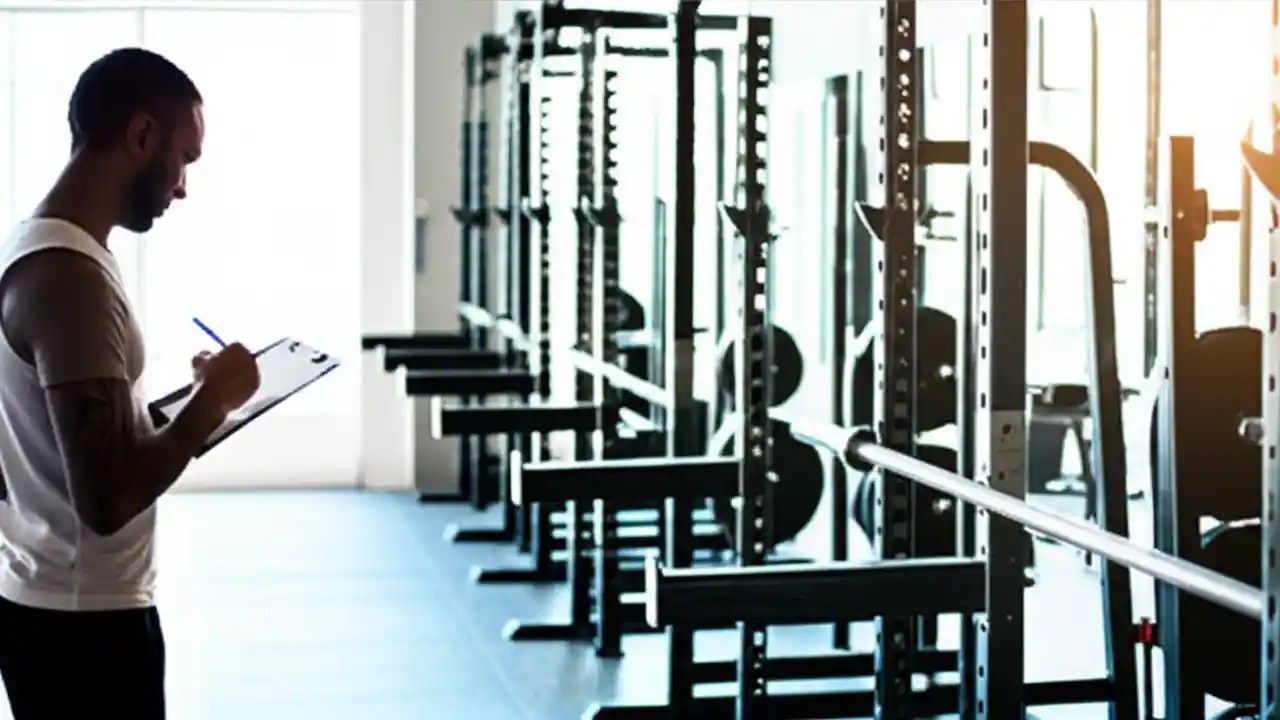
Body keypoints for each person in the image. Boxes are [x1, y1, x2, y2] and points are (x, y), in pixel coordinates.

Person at [0, 48, 261, 718]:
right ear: (142, 136)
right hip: (83, 625)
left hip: (61, 604)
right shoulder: (68, 275)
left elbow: (75, 446)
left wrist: (189, 412)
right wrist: (208, 404)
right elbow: (107, 496)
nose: (181, 186)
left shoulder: (45, 249)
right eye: (185, 159)